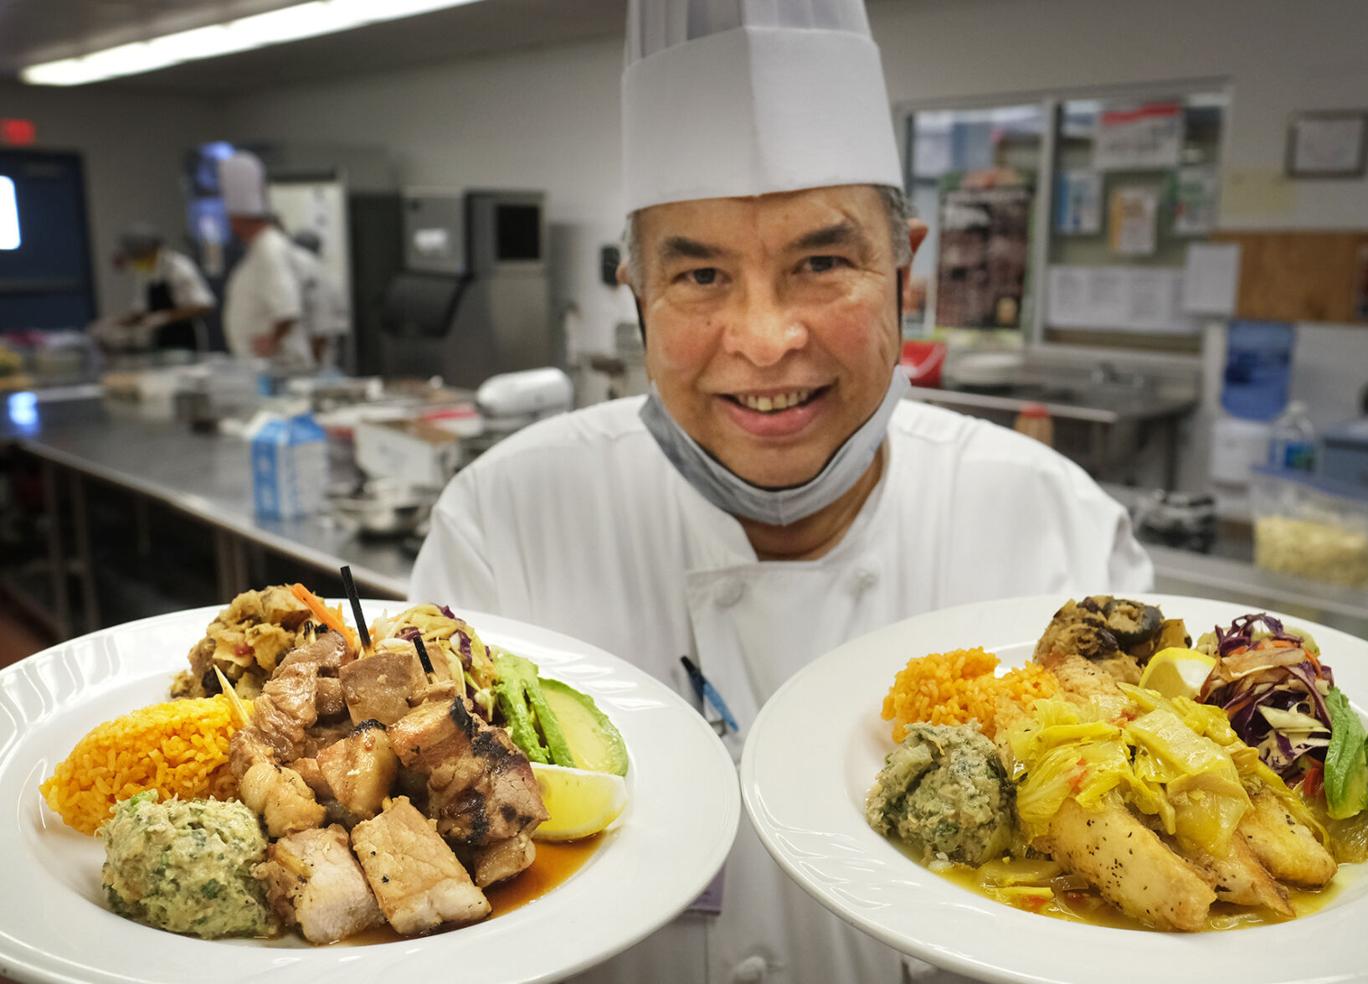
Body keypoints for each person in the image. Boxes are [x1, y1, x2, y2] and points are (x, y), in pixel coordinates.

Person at [411, 2, 1152, 981]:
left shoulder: (1056, 530)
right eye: (701, 274)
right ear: (636, 293)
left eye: (822, 263)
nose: (765, 341)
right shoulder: (503, 525)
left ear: (905, 271)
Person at [217, 152, 312, 370]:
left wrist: (272, 340)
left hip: (279, 368)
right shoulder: (259, 248)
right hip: (262, 366)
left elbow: (288, 308)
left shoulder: (270, 249)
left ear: (237, 219)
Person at [112, 222, 215, 352]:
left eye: (138, 254)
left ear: (149, 249)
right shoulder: (144, 271)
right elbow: (141, 310)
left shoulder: (178, 267)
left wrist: (164, 317)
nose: (136, 259)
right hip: (160, 340)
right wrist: (120, 322)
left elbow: (203, 306)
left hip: (185, 338)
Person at [286, 228, 351, 369]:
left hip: (330, 339)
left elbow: (322, 325)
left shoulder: (318, 275)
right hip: (326, 338)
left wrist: (315, 361)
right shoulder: (325, 273)